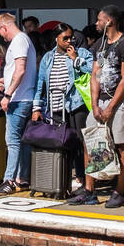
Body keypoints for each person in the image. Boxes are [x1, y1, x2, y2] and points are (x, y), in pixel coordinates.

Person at [85, 5, 124, 209]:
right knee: (91, 137)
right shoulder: (101, 43)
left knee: (121, 143)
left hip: (122, 100)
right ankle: (90, 189)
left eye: (100, 19)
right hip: (102, 99)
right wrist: (95, 103)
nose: (96, 23)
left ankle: (119, 191)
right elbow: (95, 74)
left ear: (110, 21)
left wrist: (111, 107)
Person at [35, 24, 93, 195]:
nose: (69, 41)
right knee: (63, 144)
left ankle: (85, 181)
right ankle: (61, 181)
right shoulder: (48, 57)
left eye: (71, 37)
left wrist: (75, 59)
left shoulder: (80, 52)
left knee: (82, 143)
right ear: (56, 39)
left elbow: (92, 69)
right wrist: (36, 106)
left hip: (76, 103)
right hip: (56, 107)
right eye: (65, 38)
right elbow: (41, 83)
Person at [0, 13, 38, 196]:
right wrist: (5, 81)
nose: (2, 37)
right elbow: (18, 71)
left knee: (13, 141)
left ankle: (8, 180)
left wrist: (7, 94)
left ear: (4, 27)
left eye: (1, 32)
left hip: (18, 99)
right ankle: (22, 178)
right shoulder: (25, 40)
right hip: (25, 97)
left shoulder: (18, 41)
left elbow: (20, 69)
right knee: (23, 141)